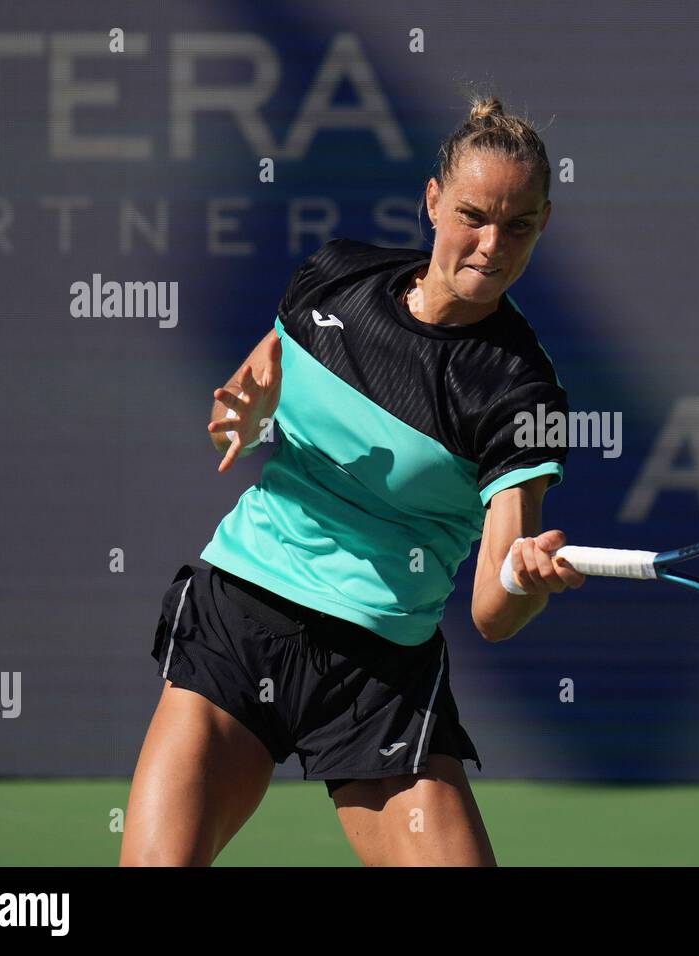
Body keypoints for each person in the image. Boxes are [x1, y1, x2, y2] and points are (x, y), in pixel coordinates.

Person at [120, 95, 584, 867]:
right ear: (432, 201)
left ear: (544, 224)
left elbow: (493, 613)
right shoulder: (335, 278)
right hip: (243, 620)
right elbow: (250, 400)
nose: (491, 246)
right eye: (472, 217)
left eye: (519, 227)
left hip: (378, 675)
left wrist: (525, 579)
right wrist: (245, 415)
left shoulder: (519, 392)